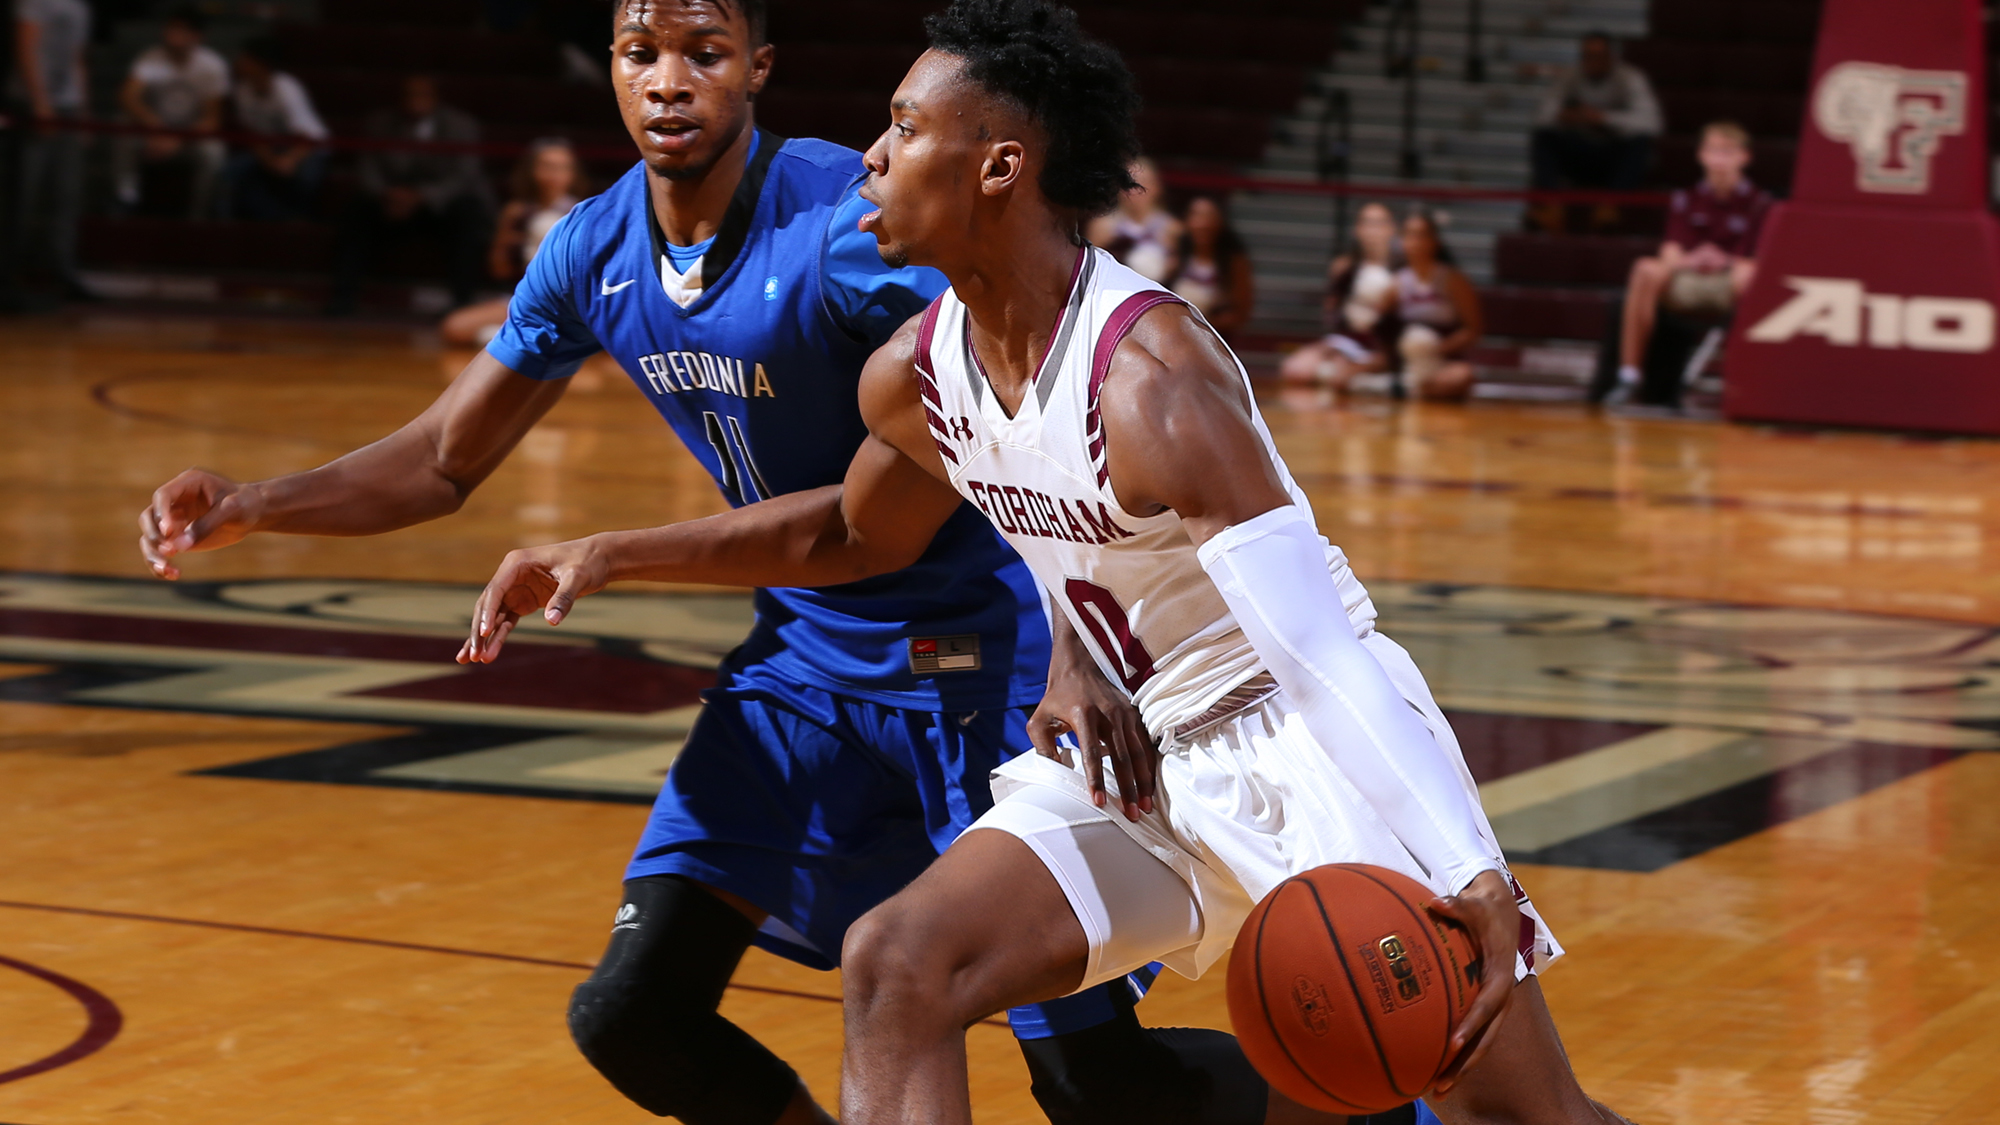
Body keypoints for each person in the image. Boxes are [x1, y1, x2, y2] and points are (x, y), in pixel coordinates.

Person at [137, 3, 1362, 1124]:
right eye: (639, 53)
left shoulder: (854, 225)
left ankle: (1377, 1101)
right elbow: (444, 459)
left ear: (757, 69)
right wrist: (257, 503)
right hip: (802, 672)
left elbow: (931, 489)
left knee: (1099, 1085)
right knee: (634, 1017)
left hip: (978, 665)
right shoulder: (591, 247)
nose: (669, 82)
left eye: (703, 52)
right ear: (611, 69)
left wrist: (614, 554)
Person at [457, 5, 1631, 1125]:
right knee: (898, 962)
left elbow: (1318, 652)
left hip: (1296, 737)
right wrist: (608, 552)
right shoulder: (916, 372)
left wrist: (1475, 869)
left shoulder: (1152, 381)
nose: (870, 155)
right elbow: (855, 538)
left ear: (999, 168)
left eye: (908, 128)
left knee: (1508, 1110)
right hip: (1132, 752)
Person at [1602, 121, 1770, 406]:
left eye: (1728, 152)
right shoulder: (1686, 198)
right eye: (1714, 151)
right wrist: (1693, 259)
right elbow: (1670, 253)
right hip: (1687, 279)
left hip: (1729, 284)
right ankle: (1629, 376)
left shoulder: (1760, 203)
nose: (1719, 159)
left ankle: (1742, 382)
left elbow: (1761, 259)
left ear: (1745, 157)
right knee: (1645, 269)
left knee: (1750, 274)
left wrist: (1725, 260)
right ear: (1701, 155)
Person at [328, 74, 492, 314]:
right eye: (409, 95)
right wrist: (388, 194)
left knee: (468, 212)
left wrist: (421, 196)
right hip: (390, 203)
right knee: (357, 210)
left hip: (441, 203)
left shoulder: (461, 124)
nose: (415, 100)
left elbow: (465, 175)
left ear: (436, 98)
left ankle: (462, 301)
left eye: (422, 95)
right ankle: (343, 298)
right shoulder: (380, 123)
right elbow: (367, 170)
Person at [441, 137, 588, 346]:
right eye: (547, 166)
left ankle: (517, 339)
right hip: (522, 297)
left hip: (566, 303)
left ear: (573, 173)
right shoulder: (516, 212)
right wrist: (508, 244)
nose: (554, 174)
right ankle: (526, 339)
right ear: (531, 170)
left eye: (563, 168)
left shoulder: (582, 214)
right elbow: (499, 270)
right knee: (454, 327)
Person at [1528, 31, 1660, 231]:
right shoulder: (1570, 77)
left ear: (1612, 57)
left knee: (1641, 143)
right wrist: (1565, 116)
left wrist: (1604, 118)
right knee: (1544, 136)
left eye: (1599, 56)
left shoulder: (1630, 77)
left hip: (1613, 157)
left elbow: (1652, 122)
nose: (1593, 62)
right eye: (1587, 56)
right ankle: (1551, 206)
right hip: (1579, 153)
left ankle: (1611, 207)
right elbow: (1542, 115)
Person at [10, 0, 93, 301]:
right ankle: (10, 276)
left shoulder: (81, 7)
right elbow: (26, 46)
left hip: (67, 106)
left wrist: (83, 113)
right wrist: (39, 102)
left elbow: (77, 59)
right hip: (32, 106)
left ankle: (62, 272)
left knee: (65, 194)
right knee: (23, 196)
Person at [113, 4, 228, 218]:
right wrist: (155, 126)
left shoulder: (213, 65)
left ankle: (200, 213)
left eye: (181, 30)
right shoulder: (150, 58)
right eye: (170, 28)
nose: (172, 35)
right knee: (123, 128)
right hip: (154, 135)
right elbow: (127, 96)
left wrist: (179, 139)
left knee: (214, 152)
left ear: (196, 36)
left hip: (189, 139)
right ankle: (125, 197)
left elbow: (212, 119)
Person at [1278, 200, 1397, 387]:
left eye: (1379, 223)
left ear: (1392, 229)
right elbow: (1331, 309)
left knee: (1339, 377)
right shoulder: (1345, 266)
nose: (1373, 230)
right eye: (1367, 223)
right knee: (1294, 369)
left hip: (1381, 347)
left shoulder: (1400, 271)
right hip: (1346, 340)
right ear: (1357, 229)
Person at [224, 37, 328, 220]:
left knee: (305, 177)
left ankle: (297, 224)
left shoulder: (287, 89)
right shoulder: (242, 91)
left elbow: (307, 137)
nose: (239, 62)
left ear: (260, 64)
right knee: (230, 173)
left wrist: (288, 160)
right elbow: (253, 135)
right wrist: (271, 160)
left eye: (245, 58)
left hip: (308, 147)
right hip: (271, 148)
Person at [1386, 209, 1481, 401]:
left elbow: (1474, 329)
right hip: (1409, 360)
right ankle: (1411, 385)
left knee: (1463, 376)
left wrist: (1435, 350)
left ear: (1435, 241)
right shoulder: (1395, 283)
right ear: (1402, 241)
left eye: (1422, 235)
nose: (1416, 242)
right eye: (1410, 235)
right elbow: (1381, 328)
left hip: (1443, 359)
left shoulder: (1453, 280)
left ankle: (1416, 389)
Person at [1165, 194, 1254, 339]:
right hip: (1172, 334)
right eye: (1197, 216)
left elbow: (1240, 313)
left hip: (1214, 339)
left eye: (1209, 216)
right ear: (1186, 221)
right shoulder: (1175, 256)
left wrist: (1200, 323)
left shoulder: (1234, 262)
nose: (1203, 223)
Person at [1085, 155, 1178, 282]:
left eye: (1143, 183)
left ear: (1157, 188)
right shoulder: (1103, 227)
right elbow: (1089, 270)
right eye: (1129, 185)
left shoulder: (1172, 228)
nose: (1135, 191)